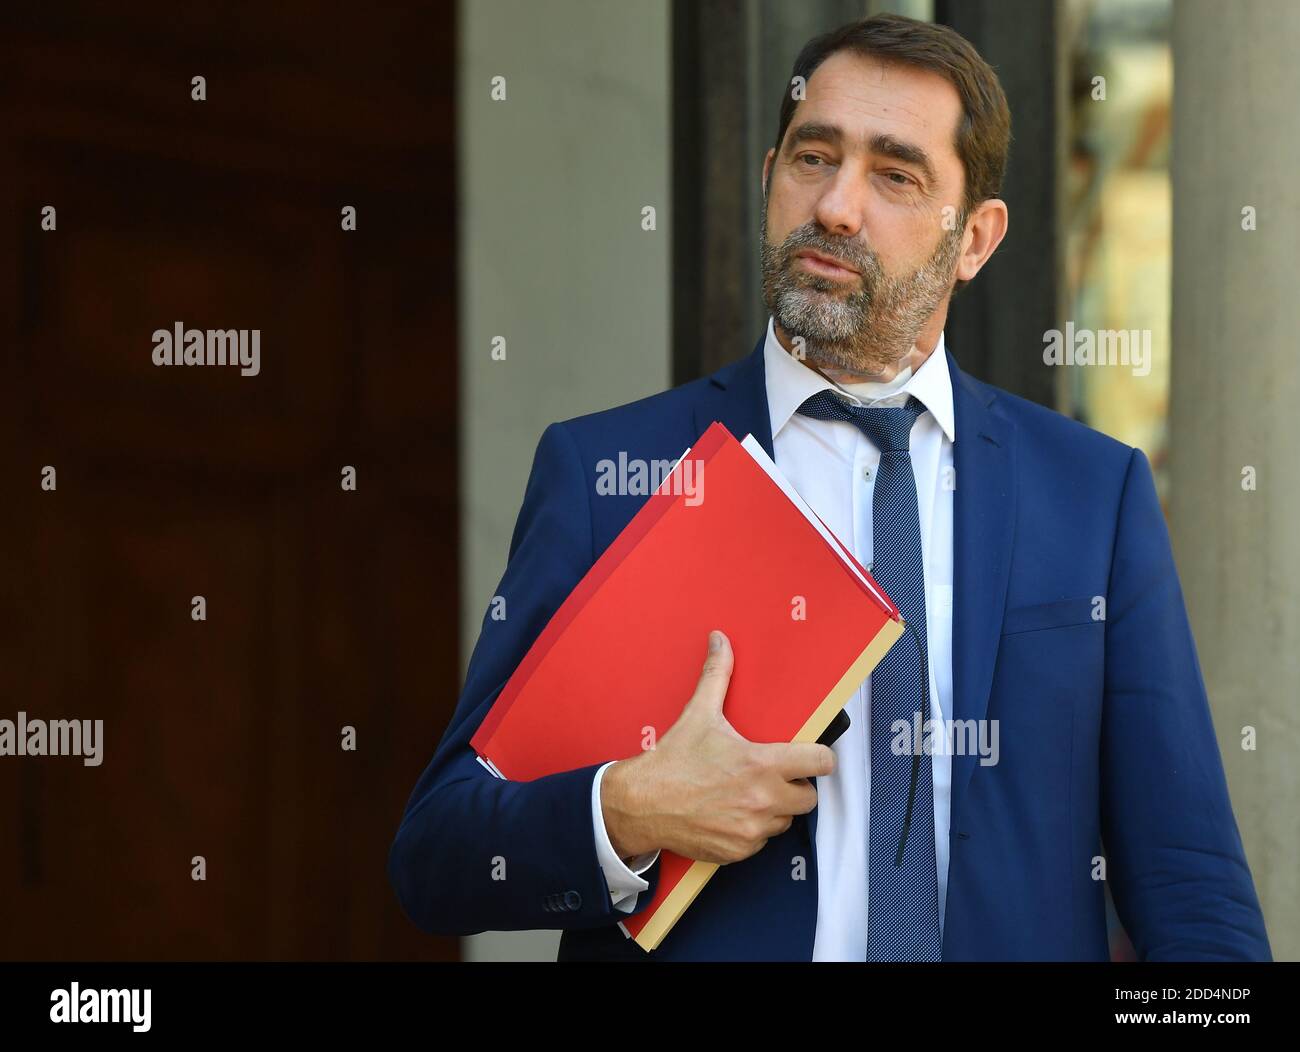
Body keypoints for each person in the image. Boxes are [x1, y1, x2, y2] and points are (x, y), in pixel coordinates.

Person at [387, 13, 1271, 961]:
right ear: (769, 174)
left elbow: (1191, 891)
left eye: (895, 174)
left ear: (974, 238)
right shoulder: (616, 474)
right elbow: (440, 855)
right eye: (814, 157)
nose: (838, 206)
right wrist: (630, 809)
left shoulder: (1094, 498)